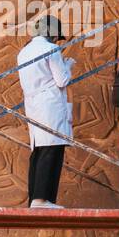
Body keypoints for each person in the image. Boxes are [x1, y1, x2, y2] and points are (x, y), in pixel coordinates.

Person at [18, 14, 74, 209]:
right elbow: (62, 80)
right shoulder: (51, 49)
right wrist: (67, 65)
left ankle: (36, 198)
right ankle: (42, 200)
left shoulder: (23, 52)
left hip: (33, 104)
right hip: (50, 103)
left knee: (39, 149)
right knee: (52, 147)